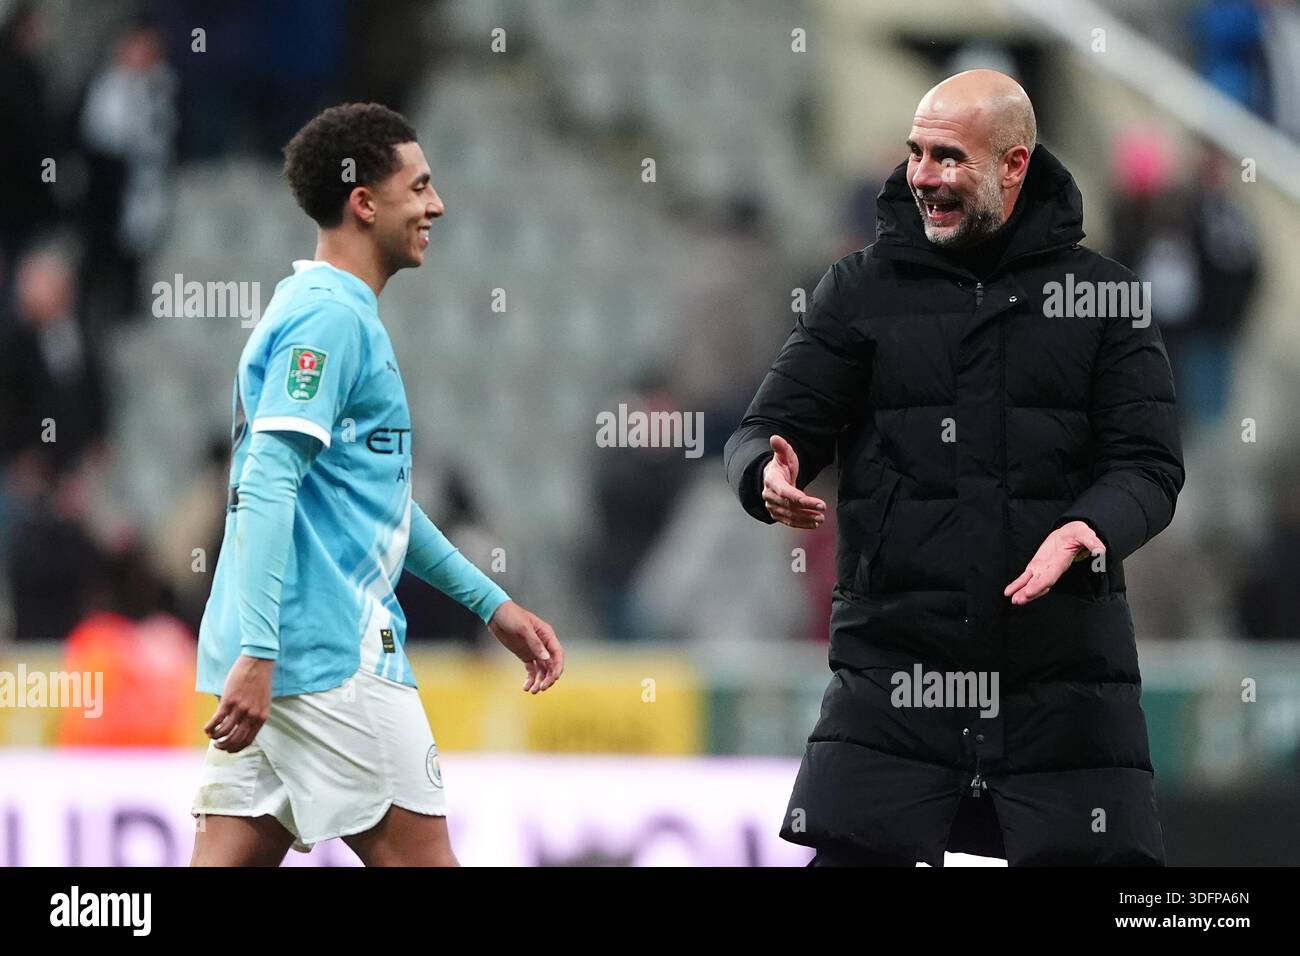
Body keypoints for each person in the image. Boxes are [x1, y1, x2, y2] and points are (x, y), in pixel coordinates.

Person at [724, 71, 1184, 866]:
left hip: (1063, 682)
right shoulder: (859, 290)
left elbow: (1148, 465)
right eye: (915, 153)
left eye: (948, 157)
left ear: (1013, 165)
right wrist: (764, 470)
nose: (922, 176)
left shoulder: (1104, 299)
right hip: (895, 681)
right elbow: (769, 427)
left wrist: (1089, 527)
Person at [190, 103, 564, 867]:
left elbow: (375, 509)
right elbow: (266, 481)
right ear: (365, 201)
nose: (437, 205)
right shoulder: (330, 321)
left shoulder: (322, 311)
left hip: (281, 661)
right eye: (420, 186)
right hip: (333, 657)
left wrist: (489, 604)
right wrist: (261, 651)